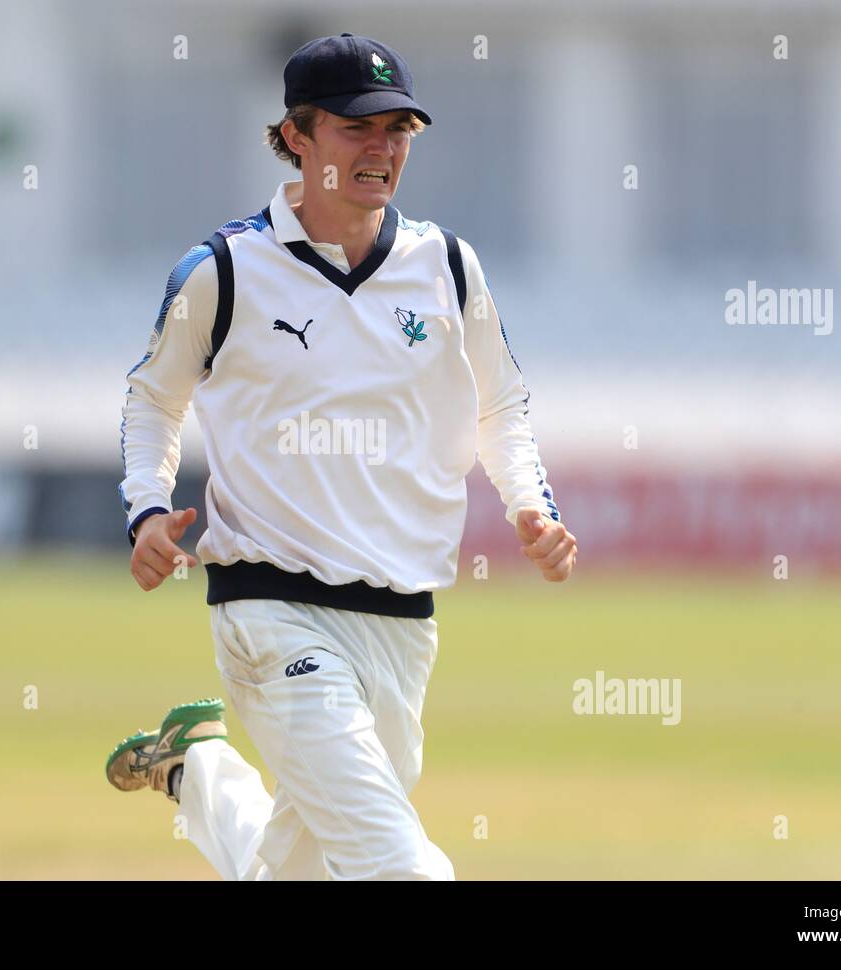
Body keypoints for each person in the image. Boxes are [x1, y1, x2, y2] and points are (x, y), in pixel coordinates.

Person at [106, 32, 576, 881]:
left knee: (301, 872)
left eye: (398, 129)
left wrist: (528, 506)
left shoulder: (448, 268)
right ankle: (204, 764)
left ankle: (196, 767)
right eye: (358, 127)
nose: (382, 148)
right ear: (297, 134)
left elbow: (499, 402)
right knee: (401, 870)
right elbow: (154, 397)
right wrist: (146, 509)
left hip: (402, 623)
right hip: (270, 608)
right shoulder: (224, 271)